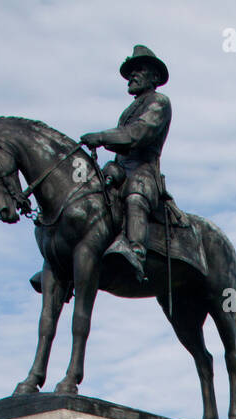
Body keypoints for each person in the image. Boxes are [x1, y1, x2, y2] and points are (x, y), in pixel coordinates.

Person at [80, 45, 187, 281]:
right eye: (130, 72)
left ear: (155, 77)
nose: (132, 76)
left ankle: (136, 253)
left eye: (139, 70)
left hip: (143, 173)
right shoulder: (130, 109)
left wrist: (101, 137)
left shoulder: (159, 102)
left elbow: (138, 134)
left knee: (135, 197)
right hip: (120, 171)